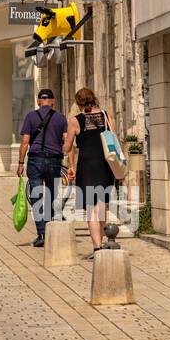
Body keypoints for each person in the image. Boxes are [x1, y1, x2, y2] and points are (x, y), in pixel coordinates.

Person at [62, 89, 117, 255]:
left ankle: (97, 247)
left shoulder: (75, 121)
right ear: (94, 99)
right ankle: (101, 243)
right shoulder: (106, 116)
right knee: (101, 206)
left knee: (91, 208)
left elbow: (67, 146)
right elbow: (114, 137)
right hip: (105, 165)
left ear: (78, 103)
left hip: (87, 167)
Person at [17, 88, 69, 247]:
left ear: (39, 101)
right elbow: (67, 142)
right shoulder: (60, 118)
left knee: (37, 196)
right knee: (52, 196)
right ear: (53, 101)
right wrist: (70, 163)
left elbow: (25, 142)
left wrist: (20, 163)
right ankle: (50, 229)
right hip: (54, 160)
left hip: (35, 160)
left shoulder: (30, 116)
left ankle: (41, 234)